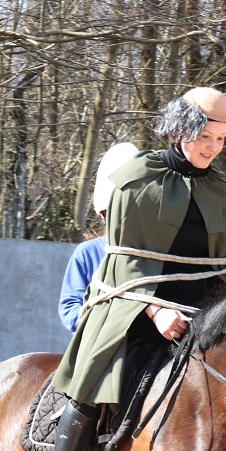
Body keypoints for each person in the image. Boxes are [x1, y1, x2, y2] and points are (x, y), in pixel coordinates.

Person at [40, 87, 226, 451]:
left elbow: (222, 269)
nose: (212, 147)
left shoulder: (221, 191)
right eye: (205, 136)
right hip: (134, 306)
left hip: (203, 311)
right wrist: (154, 311)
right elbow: (123, 266)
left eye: (220, 139)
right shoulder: (136, 180)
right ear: (181, 129)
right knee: (102, 374)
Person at [58, 142, 141, 334]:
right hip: (95, 337)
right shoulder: (87, 253)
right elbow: (69, 308)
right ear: (104, 214)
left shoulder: (154, 252)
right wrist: (101, 321)